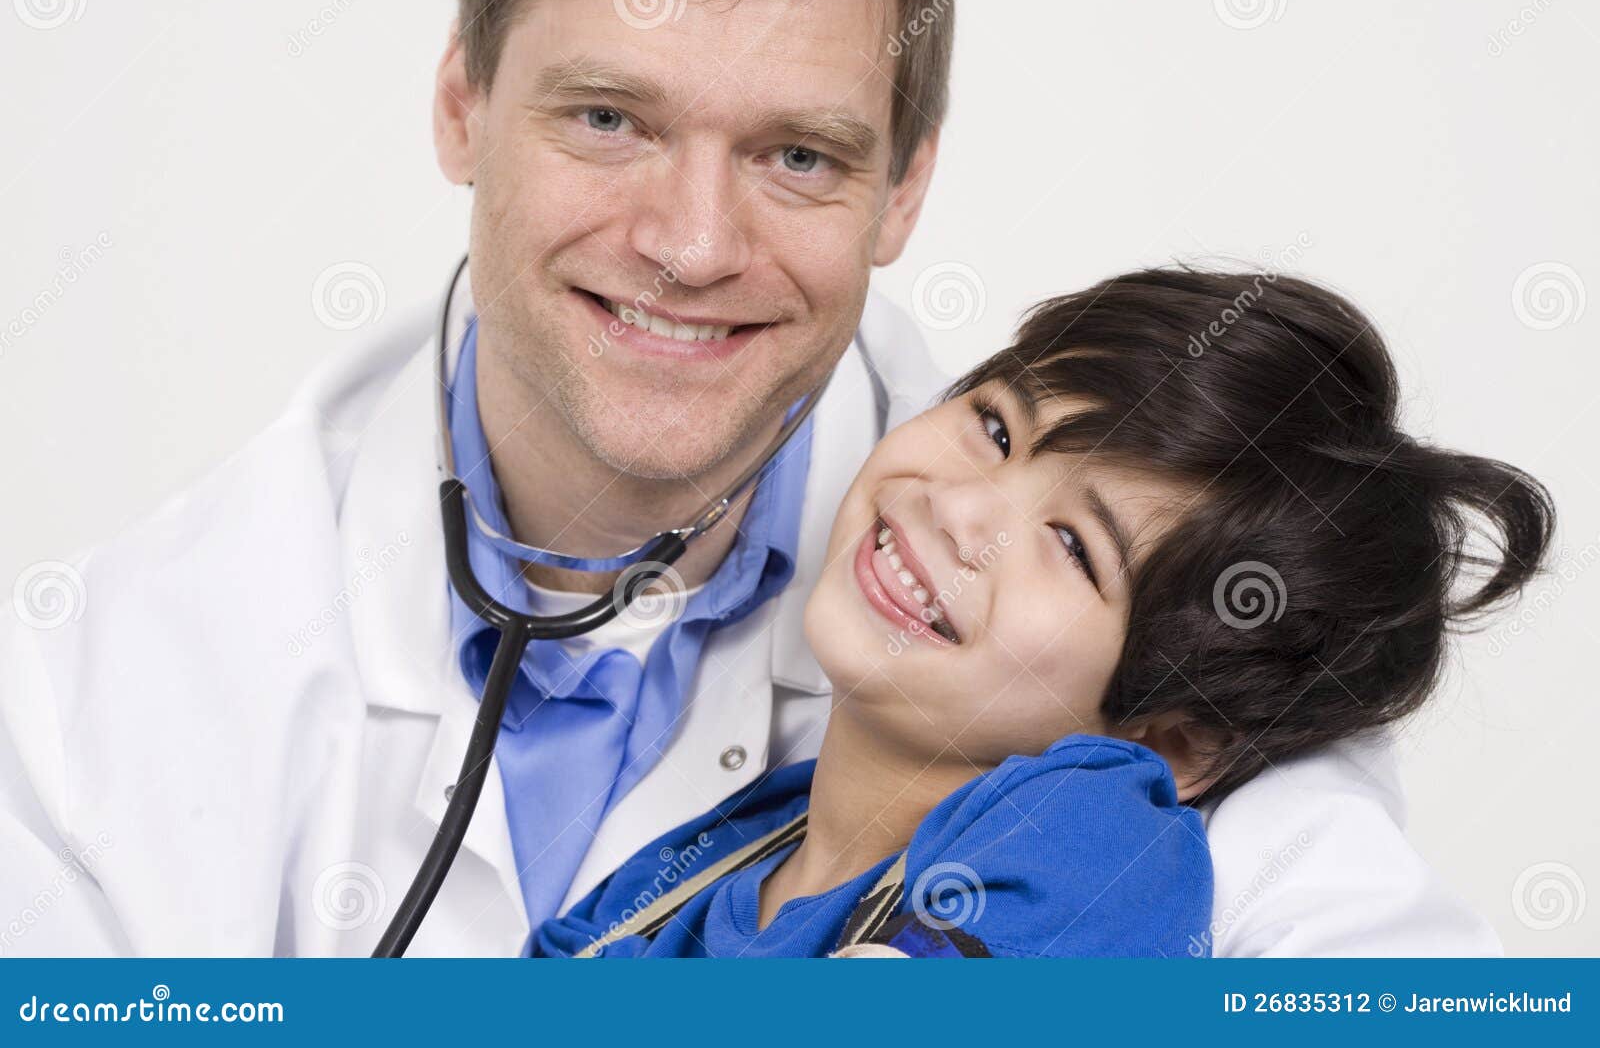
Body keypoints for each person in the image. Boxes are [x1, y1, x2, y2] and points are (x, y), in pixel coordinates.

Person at [0, 0, 1504, 957]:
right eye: (611, 119)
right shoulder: (93, 709)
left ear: (904, 184)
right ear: (462, 103)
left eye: (797, 153)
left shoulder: (1123, 633)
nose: (695, 243)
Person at [532, 269, 1553, 958]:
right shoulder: (733, 846)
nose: (960, 507)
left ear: (1168, 737)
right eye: (994, 425)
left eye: (1074, 546)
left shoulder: (1089, 848)